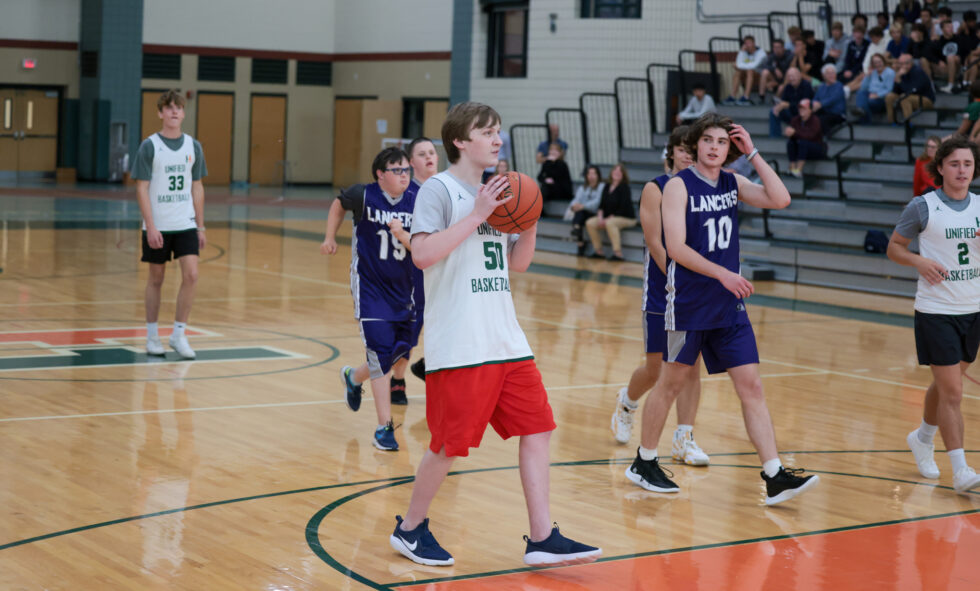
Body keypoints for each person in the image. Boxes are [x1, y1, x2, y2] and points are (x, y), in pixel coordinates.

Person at [390, 101, 601, 567]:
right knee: (448, 446)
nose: (497, 138)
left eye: (499, 131)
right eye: (487, 132)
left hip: (506, 339)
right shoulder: (438, 191)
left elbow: (517, 264)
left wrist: (530, 219)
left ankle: (543, 536)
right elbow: (423, 255)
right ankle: (409, 530)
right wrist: (478, 214)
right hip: (461, 343)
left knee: (539, 427)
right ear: (460, 141)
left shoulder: (499, 192)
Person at [626, 112, 819, 505]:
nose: (715, 147)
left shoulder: (734, 182)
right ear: (696, 145)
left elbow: (781, 199)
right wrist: (724, 275)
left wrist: (755, 153)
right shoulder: (679, 186)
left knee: (752, 385)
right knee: (671, 383)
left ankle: (774, 474)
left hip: (727, 306)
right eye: (708, 141)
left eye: (722, 142)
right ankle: (644, 461)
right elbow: (676, 248)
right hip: (690, 303)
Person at [610, 126, 710, 466]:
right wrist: (681, 278)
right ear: (671, 152)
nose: (689, 156)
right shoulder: (656, 188)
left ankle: (684, 439)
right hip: (662, 289)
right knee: (657, 369)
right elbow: (656, 243)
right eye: (683, 150)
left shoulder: (702, 190)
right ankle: (627, 401)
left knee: (691, 367)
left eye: (693, 152)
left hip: (695, 289)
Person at [887, 135, 980, 495]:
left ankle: (922, 437)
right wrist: (919, 261)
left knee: (945, 386)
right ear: (939, 167)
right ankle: (961, 470)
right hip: (936, 310)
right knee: (953, 393)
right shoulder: (922, 207)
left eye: (967, 164)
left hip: (973, 308)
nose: (961, 170)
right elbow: (894, 247)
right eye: (954, 163)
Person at [320, 147, 417, 451]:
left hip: (405, 290)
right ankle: (384, 427)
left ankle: (353, 376)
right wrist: (330, 236)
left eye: (406, 170)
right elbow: (338, 204)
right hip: (371, 288)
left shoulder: (418, 199)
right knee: (379, 352)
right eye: (397, 170)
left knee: (398, 353)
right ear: (380, 174)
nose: (404, 175)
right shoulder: (363, 194)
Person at [133, 89, 208, 360]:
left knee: (192, 275)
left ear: (183, 113)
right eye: (169, 108)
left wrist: (200, 226)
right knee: (156, 279)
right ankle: (152, 336)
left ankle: (178, 334)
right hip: (159, 225)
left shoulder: (193, 146)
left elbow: (197, 187)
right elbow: (142, 188)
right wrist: (150, 226)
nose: (174, 111)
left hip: (185, 223)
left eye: (178, 107)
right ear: (160, 113)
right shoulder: (150, 146)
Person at [405, 137, 441, 385]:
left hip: (442, 271)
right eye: (422, 153)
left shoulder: (446, 188)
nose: (429, 157)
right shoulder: (408, 194)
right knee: (407, 335)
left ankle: (429, 366)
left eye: (432, 152)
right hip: (412, 273)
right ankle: (397, 379)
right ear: (411, 162)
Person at [585, 163, 635, 261]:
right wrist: (600, 217)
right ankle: (599, 251)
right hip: (608, 217)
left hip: (627, 218)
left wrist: (607, 219)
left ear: (623, 175)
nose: (617, 172)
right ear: (611, 172)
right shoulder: (607, 186)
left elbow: (623, 208)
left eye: (620, 171)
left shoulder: (625, 187)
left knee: (610, 223)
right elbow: (601, 205)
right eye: (615, 170)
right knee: (590, 223)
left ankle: (618, 253)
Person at [886, 53, 936, 124]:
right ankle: (892, 123)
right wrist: (897, 78)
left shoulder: (918, 72)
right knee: (890, 97)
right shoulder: (902, 72)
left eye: (905, 63)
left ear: (911, 63)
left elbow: (912, 91)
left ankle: (909, 125)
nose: (902, 66)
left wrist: (900, 81)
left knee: (904, 98)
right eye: (900, 64)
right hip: (910, 97)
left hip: (925, 99)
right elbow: (895, 91)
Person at [568, 164, 604, 256]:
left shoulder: (602, 186)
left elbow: (597, 202)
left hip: (596, 213)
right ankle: (579, 239)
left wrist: (583, 206)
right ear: (586, 176)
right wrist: (573, 206)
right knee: (579, 213)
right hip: (584, 212)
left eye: (594, 174)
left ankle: (580, 243)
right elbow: (576, 199)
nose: (591, 176)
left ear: (598, 175)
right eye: (589, 174)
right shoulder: (583, 187)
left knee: (580, 214)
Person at [784, 99, 826, 177]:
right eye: (800, 108)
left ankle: (798, 170)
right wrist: (788, 132)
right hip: (801, 147)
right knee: (791, 143)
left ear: (810, 110)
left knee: (803, 143)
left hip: (816, 148)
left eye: (804, 108)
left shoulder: (815, 120)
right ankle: (792, 168)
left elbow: (810, 136)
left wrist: (795, 133)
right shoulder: (795, 119)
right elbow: (792, 132)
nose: (801, 110)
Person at [769, 67, 813, 137]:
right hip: (791, 112)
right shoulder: (788, 87)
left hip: (802, 114)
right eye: (789, 76)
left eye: (793, 76)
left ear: (799, 75)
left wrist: (788, 105)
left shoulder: (806, 86)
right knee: (773, 110)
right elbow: (783, 102)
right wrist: (778, 106)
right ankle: (774, 137)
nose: (791, 78)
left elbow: (805, 104)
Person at [851, 53, 895, 123]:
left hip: (882, 98)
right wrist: (868, 76)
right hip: (870, 95)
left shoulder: (890, 72)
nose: (878, 64)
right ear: (873, 64)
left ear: (883, 61)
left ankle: (864, 118)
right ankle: (862, 113)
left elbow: (889, 89)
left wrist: (877, 95)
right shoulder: (873, 72)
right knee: (860, 93)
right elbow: (863, 88)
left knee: (868, 101)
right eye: (875, 63)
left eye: (879, 62)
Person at [724, 35, 767, 106]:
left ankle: (746, 96)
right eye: (745, 43)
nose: (747, 45)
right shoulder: (744, 52)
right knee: (738, 71)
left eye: (749, 43)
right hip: (747, 74)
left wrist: (740, 66)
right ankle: (732, 96)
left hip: (760, 75)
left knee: (749, 71)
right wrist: (741, 52)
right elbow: (738, 63)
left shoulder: (761, 53)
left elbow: (754, 66)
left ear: (754, 43)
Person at [927, 19, 961, 93]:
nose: (951, 29)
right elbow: (929, 54)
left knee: (951, 57)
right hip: (945, 68)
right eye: (948, 27)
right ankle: (930, 85)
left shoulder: (958, 39)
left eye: (952, 27)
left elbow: (964, 53)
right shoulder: (939, 41)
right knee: (924, 60)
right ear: (942, 29)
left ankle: (950, 85)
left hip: (958, 67)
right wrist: (938, 61)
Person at [812, 64, 846, 132]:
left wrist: (820, 104)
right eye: (828, 73)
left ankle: (824, 139)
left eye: (833, 73)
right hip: (824, 112)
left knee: (821, 120)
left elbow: (833, 99)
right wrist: (814, 103)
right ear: (823, 75)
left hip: (836, 113)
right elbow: (815, 98)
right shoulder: (821, 87)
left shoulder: (839, 86)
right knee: (809, 116)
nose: (831, 75)